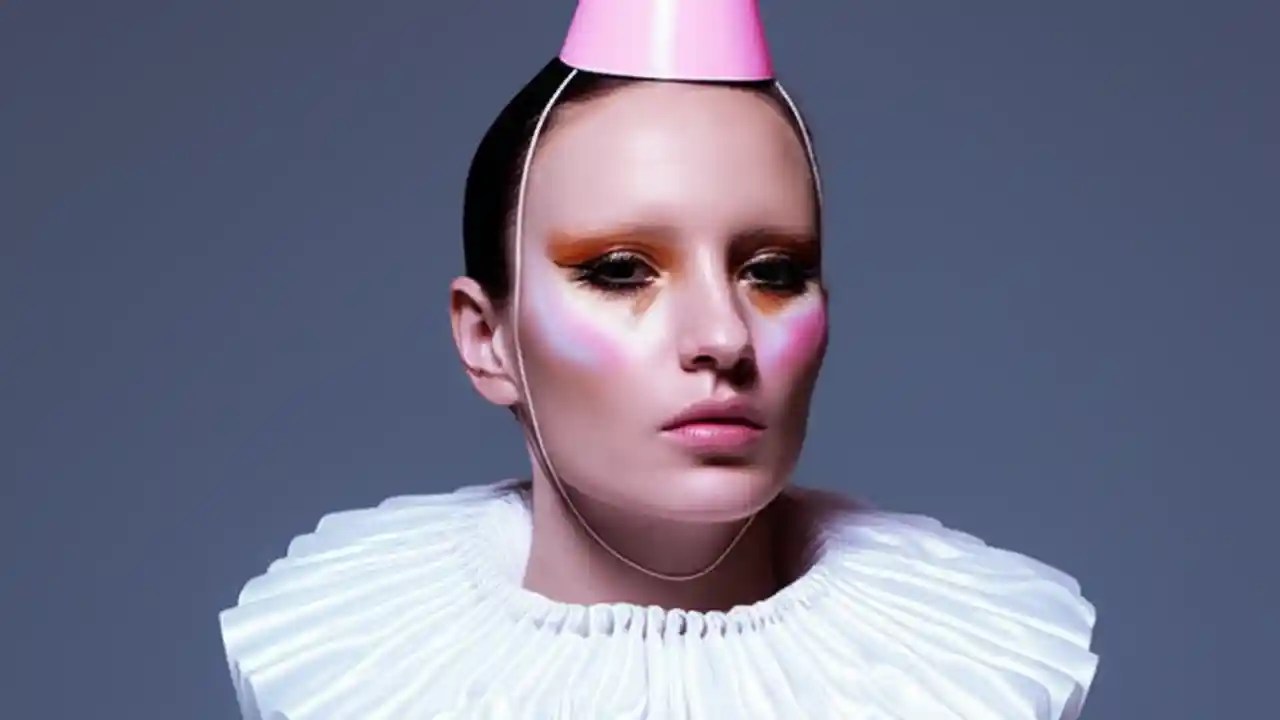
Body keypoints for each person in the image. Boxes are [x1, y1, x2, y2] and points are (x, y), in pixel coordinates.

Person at [218, 1, 1099, 717]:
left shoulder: (954, 681)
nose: (722, 336)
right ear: (487, 339)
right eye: (619, 271)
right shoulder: (364, 676)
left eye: (773, 271)